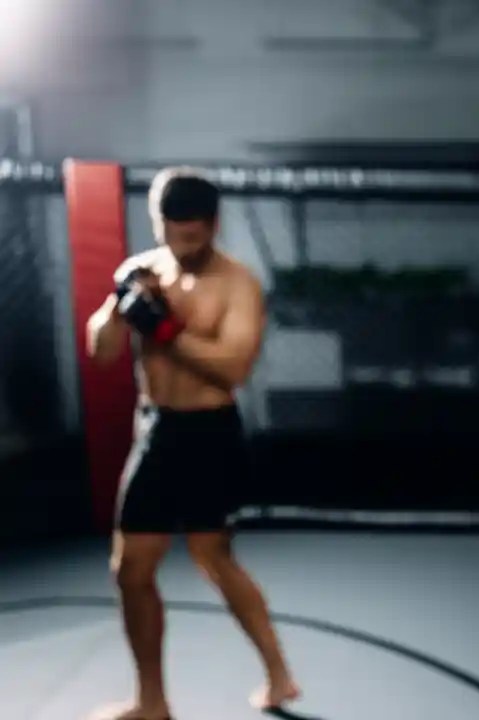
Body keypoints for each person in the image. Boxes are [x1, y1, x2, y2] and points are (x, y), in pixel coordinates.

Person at [85, 168, 300, 720]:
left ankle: (279, 675)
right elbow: (102, 351)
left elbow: (232, 369)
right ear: (159, 224)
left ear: (211, 225)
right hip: (155, 431)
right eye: (174, 234)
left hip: (208, 433)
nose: (184, 245)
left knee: (213, 558)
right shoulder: (141, 272)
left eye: (195, 235)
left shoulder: (238, 284)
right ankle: (151, 702)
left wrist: (163, 330)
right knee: (130, 569)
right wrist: (119, 305)